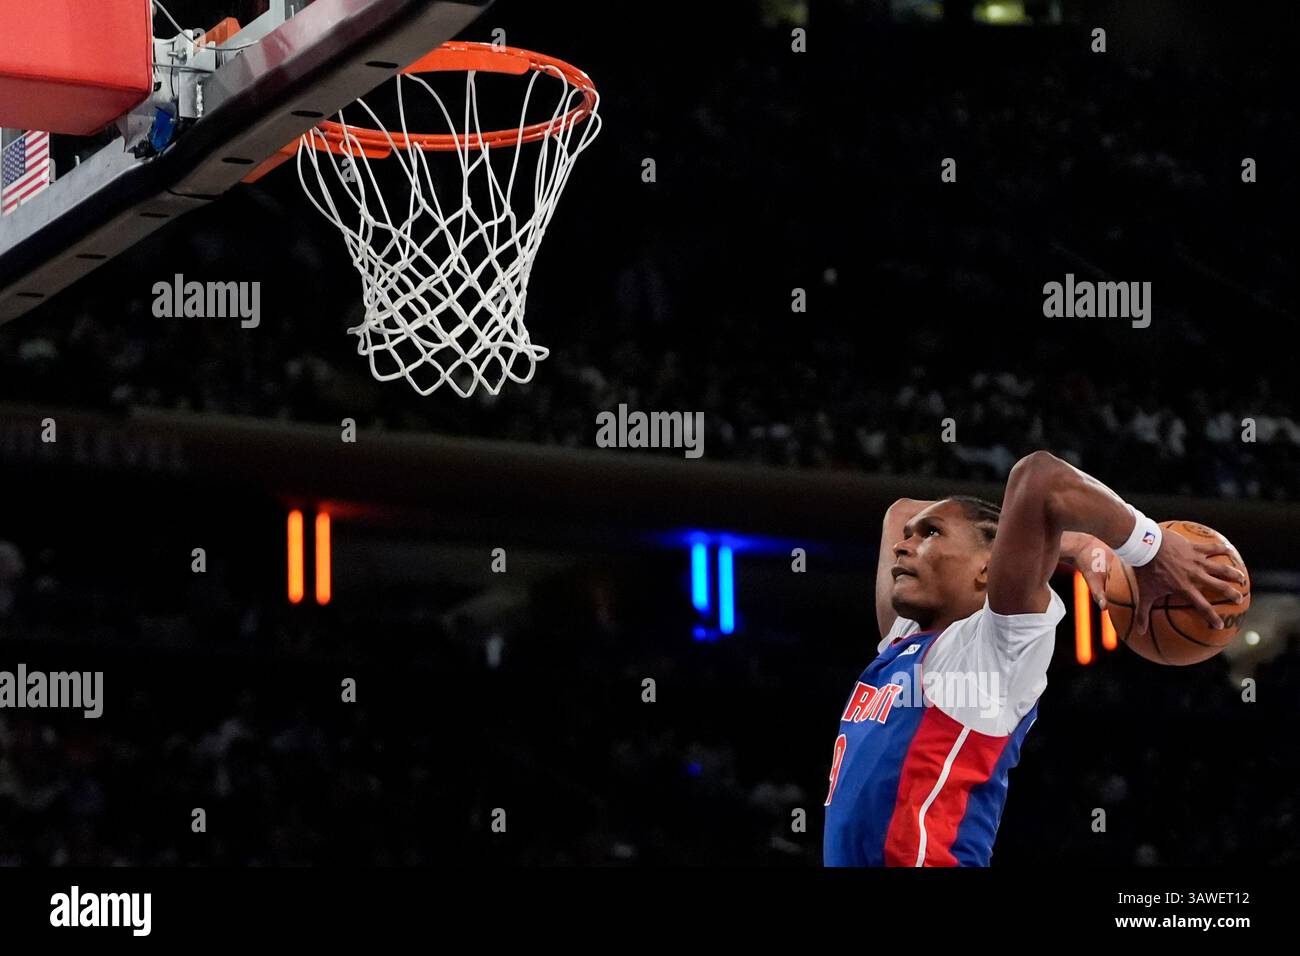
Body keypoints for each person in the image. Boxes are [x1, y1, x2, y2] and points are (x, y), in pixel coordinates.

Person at [822, 450, 1247, 866]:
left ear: (988, 569)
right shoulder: (903, 640)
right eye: (913, 537)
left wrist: (1147, 548)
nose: (903, 546)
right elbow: (901, 510)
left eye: (931, 533)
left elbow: (1040, 476)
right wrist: (1074, 543)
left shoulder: (993, 647)